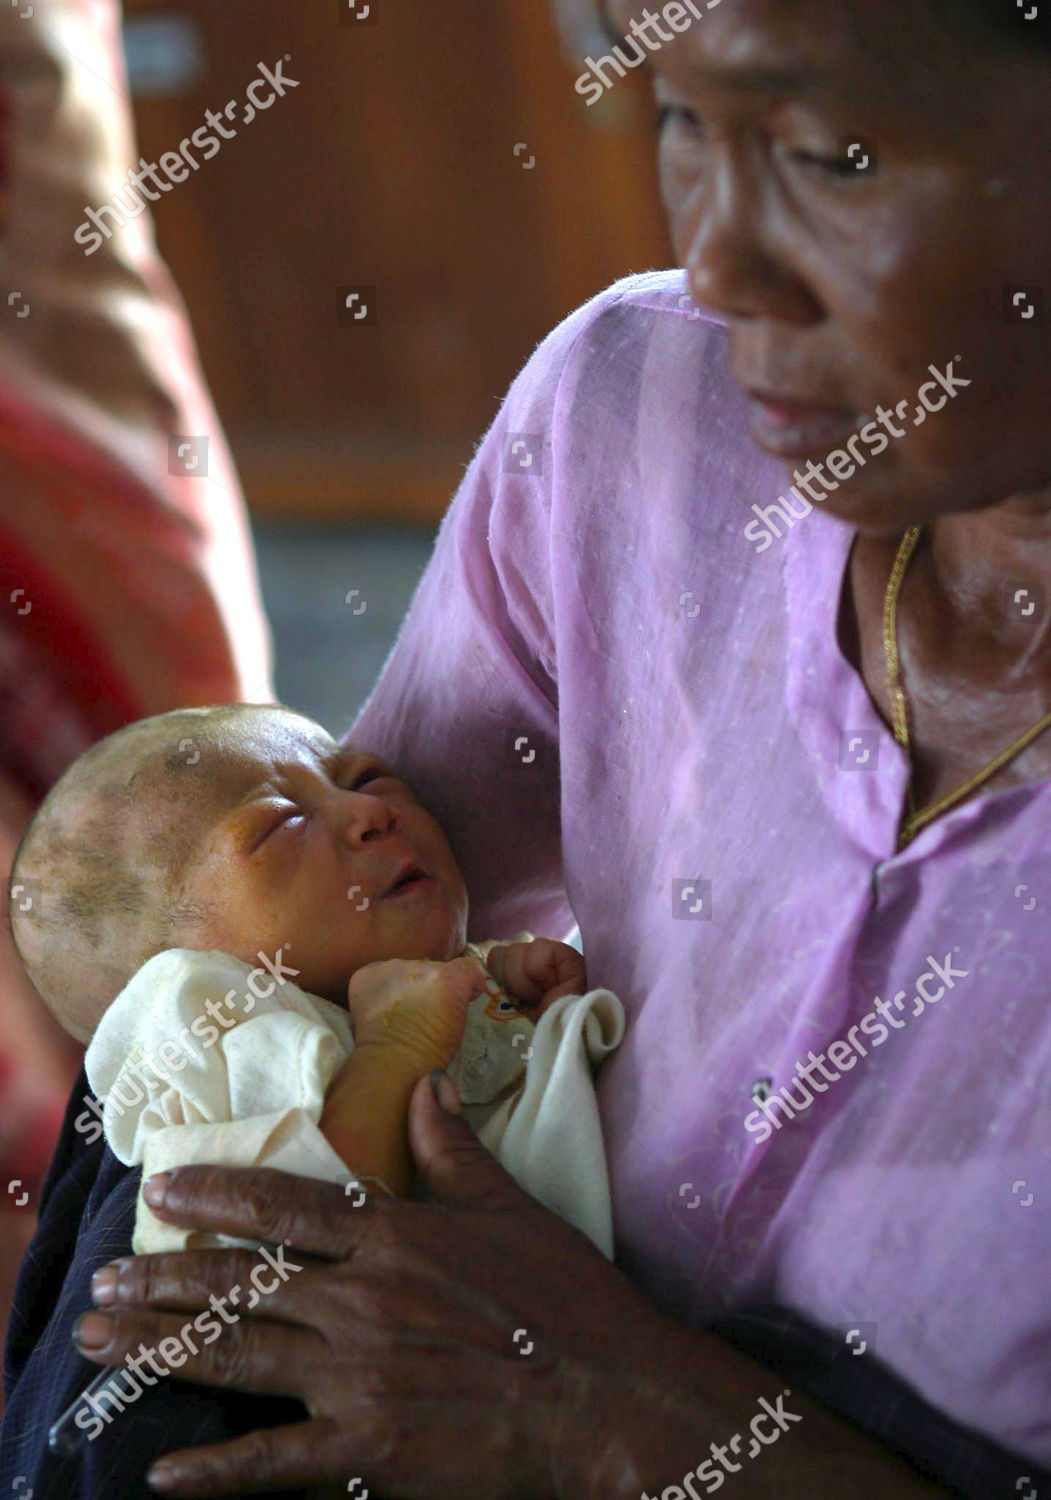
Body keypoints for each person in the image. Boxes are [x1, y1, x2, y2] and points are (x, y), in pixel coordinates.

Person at [5, 0, 1051, 1495]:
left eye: (833, 154)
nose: (718, 265)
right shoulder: (639, 417)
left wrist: (619, 1412)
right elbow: (257, 960)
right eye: (684, 122)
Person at [8, 702, 620, 1264]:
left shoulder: (444, 976)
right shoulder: (207, 1025)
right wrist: (400, 1046)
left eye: (365, 779)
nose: (371, 812)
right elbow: (298, 1236)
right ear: (169, 966)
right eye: (284, 823)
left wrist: (510, 994)